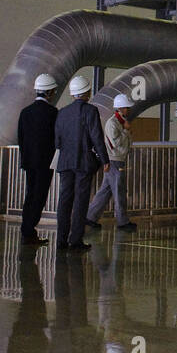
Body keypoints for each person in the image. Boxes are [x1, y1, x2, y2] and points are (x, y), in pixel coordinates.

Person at [53, 74, 107, 252]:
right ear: (87, 92)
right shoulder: (91, 111)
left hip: (65, 162)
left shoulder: (62, 112)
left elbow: (57, 141)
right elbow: (97, 137)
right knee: (80, 202)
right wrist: (104, 159)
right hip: (83, 163)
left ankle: (61, 240)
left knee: (64, 201)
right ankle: (75, 240)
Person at [17, 73, 60, 246]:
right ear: (49, 92)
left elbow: (20, 137)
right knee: (39, 197)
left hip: (29, 161)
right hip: (45, 162)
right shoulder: (53, 113)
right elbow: (56, 138)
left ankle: (27, 228)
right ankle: (28, 229)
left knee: (30, 194)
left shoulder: (25, 112)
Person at [85, 94, 137, 234]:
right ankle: (122, 221)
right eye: (127, 107)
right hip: (115, 160)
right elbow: (113, 143)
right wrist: (126, 130)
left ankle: (90, 217)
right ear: (120, 108)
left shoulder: (121, 121)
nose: (128, 109)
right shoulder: (113, 123)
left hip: (118, 159)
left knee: (105, 192)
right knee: (119, 191)